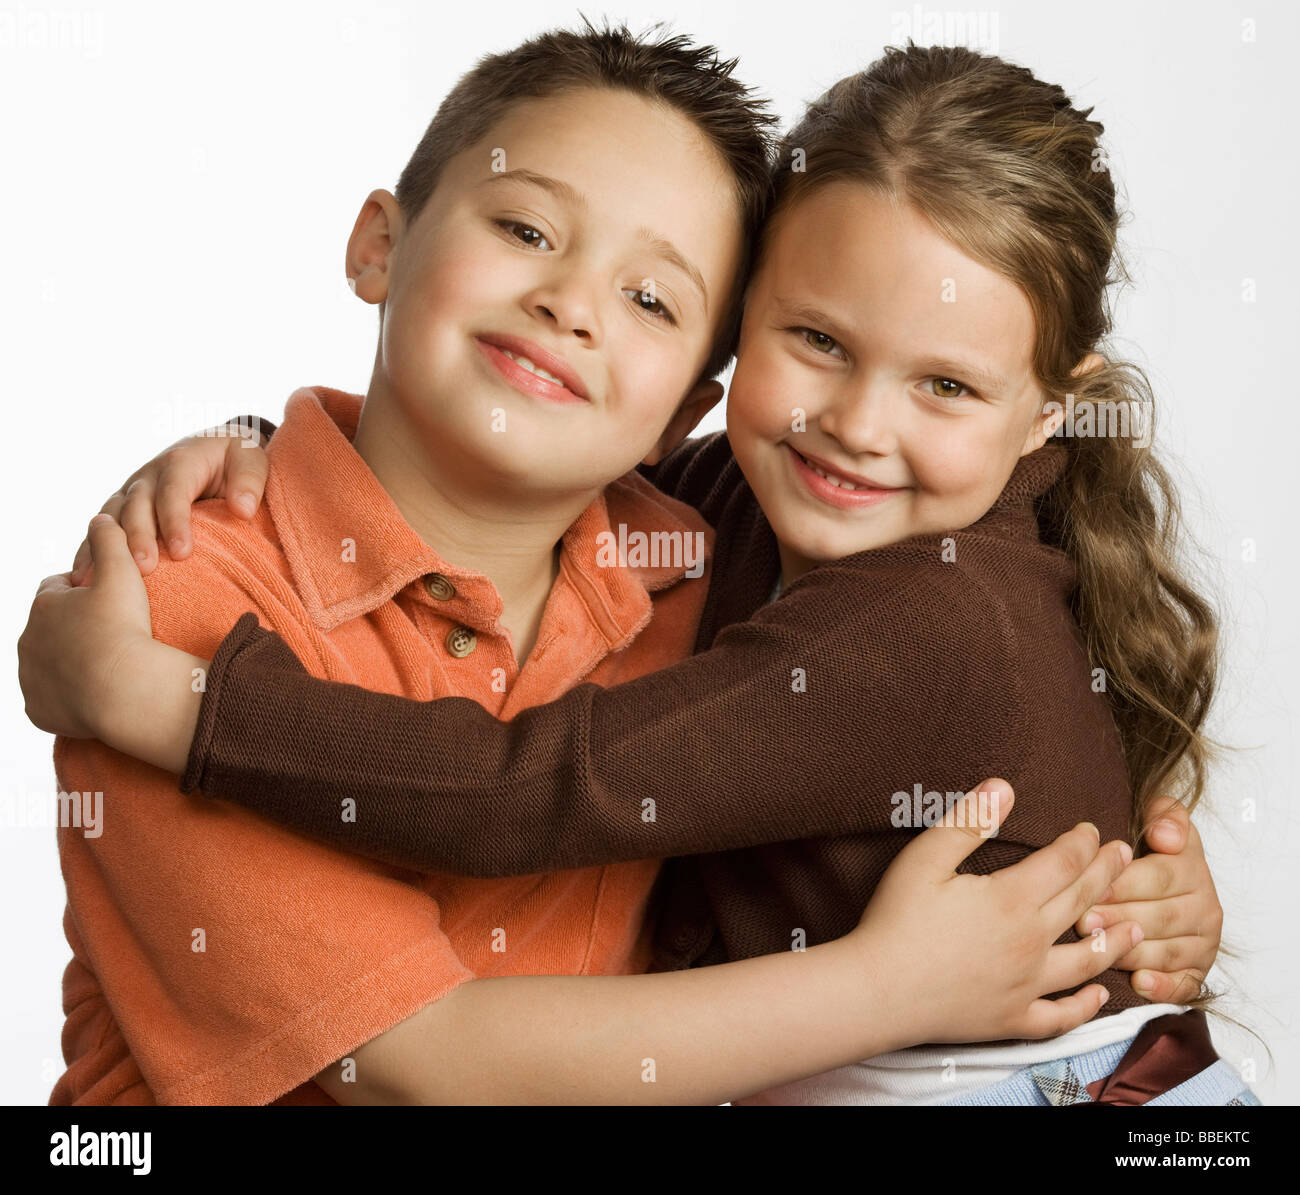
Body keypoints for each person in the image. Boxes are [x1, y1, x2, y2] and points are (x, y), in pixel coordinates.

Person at [21, 37, 1227, 1105]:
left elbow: (532, 788)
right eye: (525, 227)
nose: (855, 424)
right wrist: (240, 442)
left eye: (650, 297)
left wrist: (176, 706)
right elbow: (408, 1065)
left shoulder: (864, 598)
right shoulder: (698, 527)